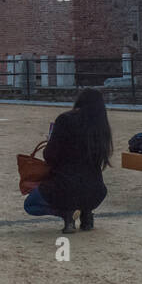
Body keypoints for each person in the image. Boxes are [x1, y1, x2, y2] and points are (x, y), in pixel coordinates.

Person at [24, 88, 112, 233]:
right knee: (82, 189)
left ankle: (66, 214)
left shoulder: (65, 119)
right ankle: (86, 213)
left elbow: (50, 155)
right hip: (96, 191)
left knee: (30, 204)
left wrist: (51, 140)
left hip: (64, 187)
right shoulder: (101, 127)